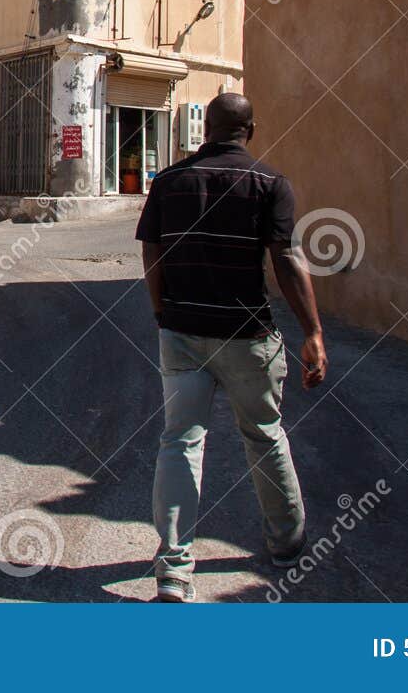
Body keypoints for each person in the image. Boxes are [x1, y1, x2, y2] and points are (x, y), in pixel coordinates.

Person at [137, 92, 327, 603]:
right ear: (251, 129)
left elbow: (152, 252)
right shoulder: (270, 185)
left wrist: (162, 313)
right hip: (248, 336)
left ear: (207, 129)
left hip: (181, 333)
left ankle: (174, 570)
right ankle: (286, 545)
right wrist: (313, 331)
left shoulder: (169, 182)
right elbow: (286, 260)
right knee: (264, 435)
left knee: (180, 441)